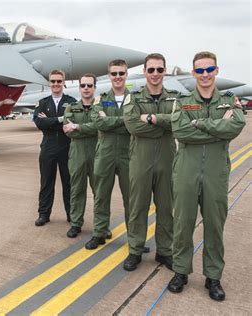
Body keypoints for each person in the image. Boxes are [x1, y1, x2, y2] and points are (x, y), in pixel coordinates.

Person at [168, 52, 245, 300]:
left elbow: (235, 126)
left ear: (216, 70)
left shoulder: (229, 100)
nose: (204, 75)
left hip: (215, 173)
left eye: (208, 69)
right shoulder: (182, 101)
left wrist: (200, 124)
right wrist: (216, 129)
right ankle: (180, 271)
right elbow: (180, 131)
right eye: (199, 70)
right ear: (193, 73)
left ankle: (213, 277)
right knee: (182, 224)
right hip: (186, 172)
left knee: (214, 225)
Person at [122, 53, 180, 271]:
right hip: (140, 161)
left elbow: (179, 123)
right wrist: (164, 126)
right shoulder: (134, 98)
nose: (155, 74)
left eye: (159, 69)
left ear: (164, 71)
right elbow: (132, 126)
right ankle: (135, 250)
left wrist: (152, 118)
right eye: (151, 69)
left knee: (166, 207)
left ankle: (165, 251)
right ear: (145, 72)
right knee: (138, 207)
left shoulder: (175, 98)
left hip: (167, 159)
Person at [84, 60, 131, 249]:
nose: (118, 77)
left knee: (132, 198)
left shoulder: (134, 99)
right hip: (105, 153)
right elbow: (98, 123)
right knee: (101, 195)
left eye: (121, 73)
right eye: (114, 73)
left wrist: (110, 121)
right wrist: (124, 121)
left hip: (129, 153)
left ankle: (134, 238)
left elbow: (134, 123)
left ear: (126, 74)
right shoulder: (100, 99)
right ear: (109, 75)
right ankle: (99, 232)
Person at [33, 70, 77, 226]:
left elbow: (72, 121)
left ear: (63, 82)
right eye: (53, 81)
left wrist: (50, 121)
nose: (56, 84)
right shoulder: (43, 103)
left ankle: (72, 214)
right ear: (49, 83)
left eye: (59, 81)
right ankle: (43, 214)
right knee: (46, 183)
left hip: (67, 148)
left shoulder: (72, 102)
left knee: (69, 183)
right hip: (48, 148)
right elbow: (39, 123)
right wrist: (59, 120)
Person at [62, 74, 98, 238]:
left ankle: (101, 226)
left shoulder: (100, 108)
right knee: (77, 190)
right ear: (79, 88)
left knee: (100, 191)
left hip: (97, 153)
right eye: (83, 85)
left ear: (94, 87)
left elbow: (100, 127)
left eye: (89, 85)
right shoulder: (71, 107)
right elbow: (67, 130)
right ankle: (76, 223)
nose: (86, 88)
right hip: (77, 153)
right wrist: (87, 129)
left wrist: (77, 127)